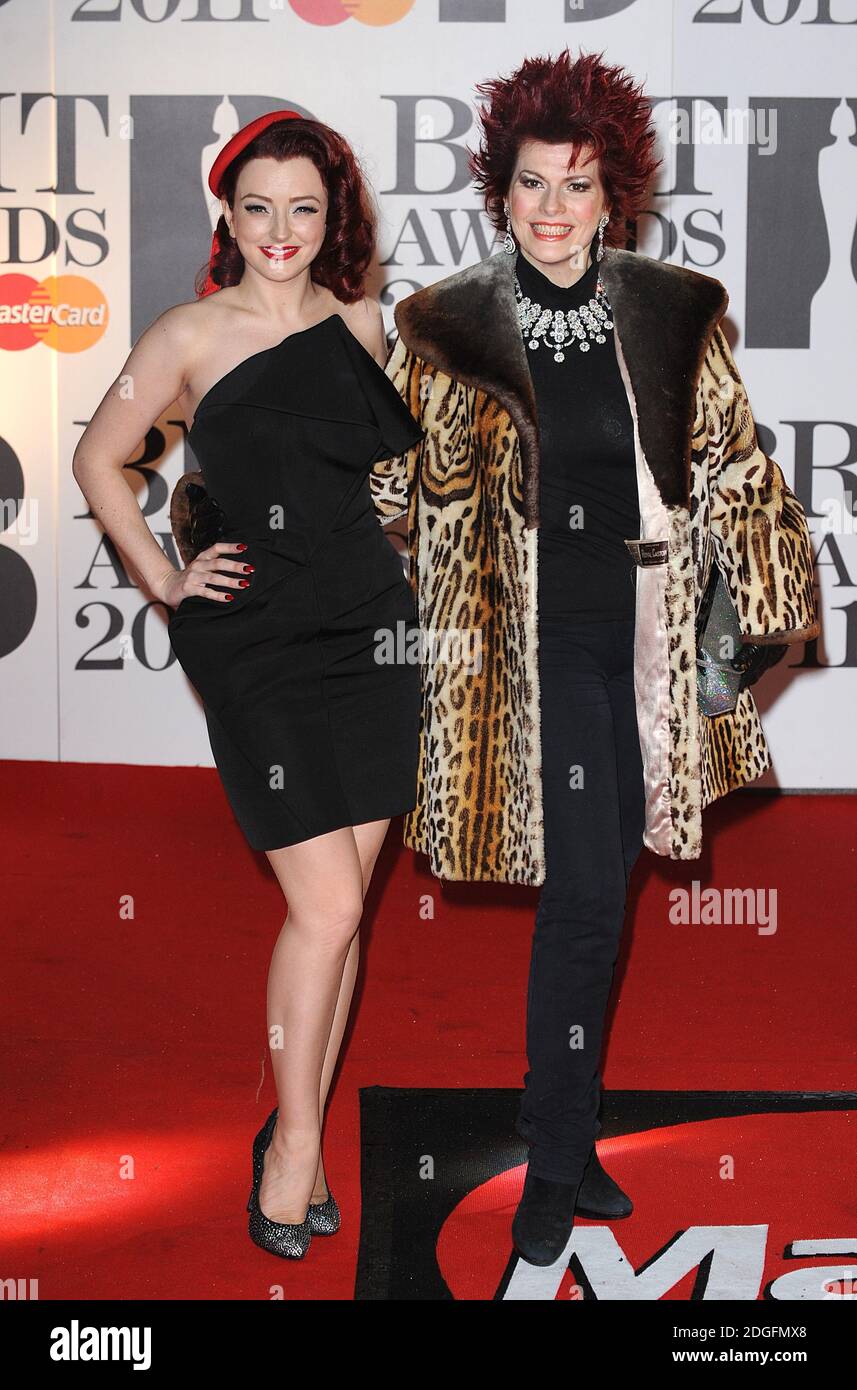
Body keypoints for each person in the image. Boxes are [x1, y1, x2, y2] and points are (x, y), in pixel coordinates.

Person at [369, 49, 820, 1266]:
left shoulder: (670, 308)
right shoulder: (448, 324)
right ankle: (556, 1162)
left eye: (576, 184)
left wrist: (761, 615)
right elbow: (405, 482)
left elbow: (730, 463)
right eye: (531, 184)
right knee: (579, 901)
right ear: (497, 191)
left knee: (605, 891)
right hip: (533, 658)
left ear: (613, 191)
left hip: (651, 644)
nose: (554, 208)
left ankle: (554, 1118)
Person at [71, 110, 424, 1261]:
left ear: (335, 220)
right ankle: (295, 1150)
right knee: (322, 908)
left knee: (342, 913)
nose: (280, 230)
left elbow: (394, 486)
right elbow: (96, 458)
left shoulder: (365, 323)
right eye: (258, 206)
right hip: (257, 640)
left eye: (304, 209)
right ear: (228, 211)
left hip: (372, 632)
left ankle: (295, 1120)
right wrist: (168, 582)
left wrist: (398, 528)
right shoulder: (187, 332)